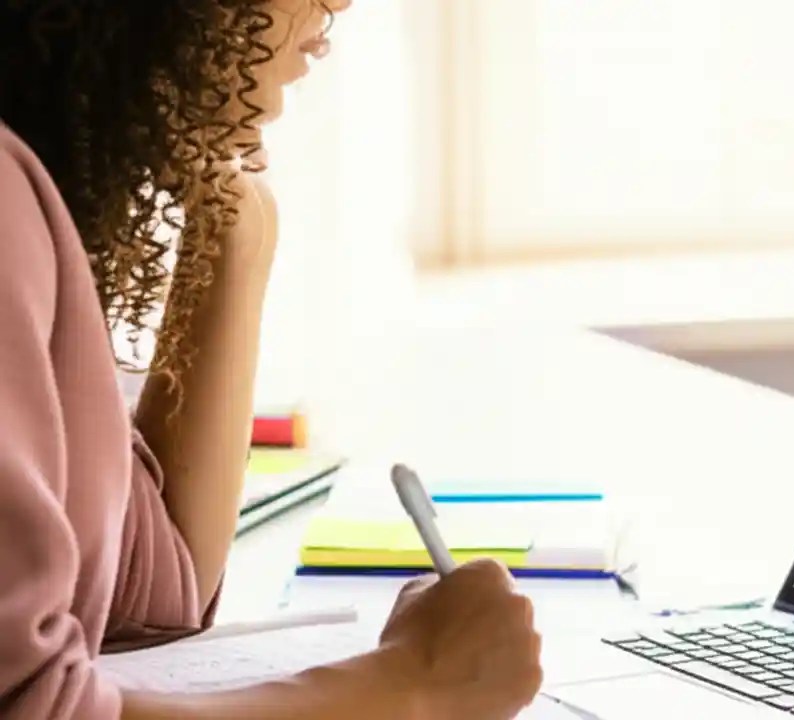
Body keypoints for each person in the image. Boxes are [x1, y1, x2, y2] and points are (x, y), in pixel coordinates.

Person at [0, 1, 542, 718]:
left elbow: (149, 601)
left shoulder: (30, 191)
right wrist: (415, 683)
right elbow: (34, 705)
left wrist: (234, 218)